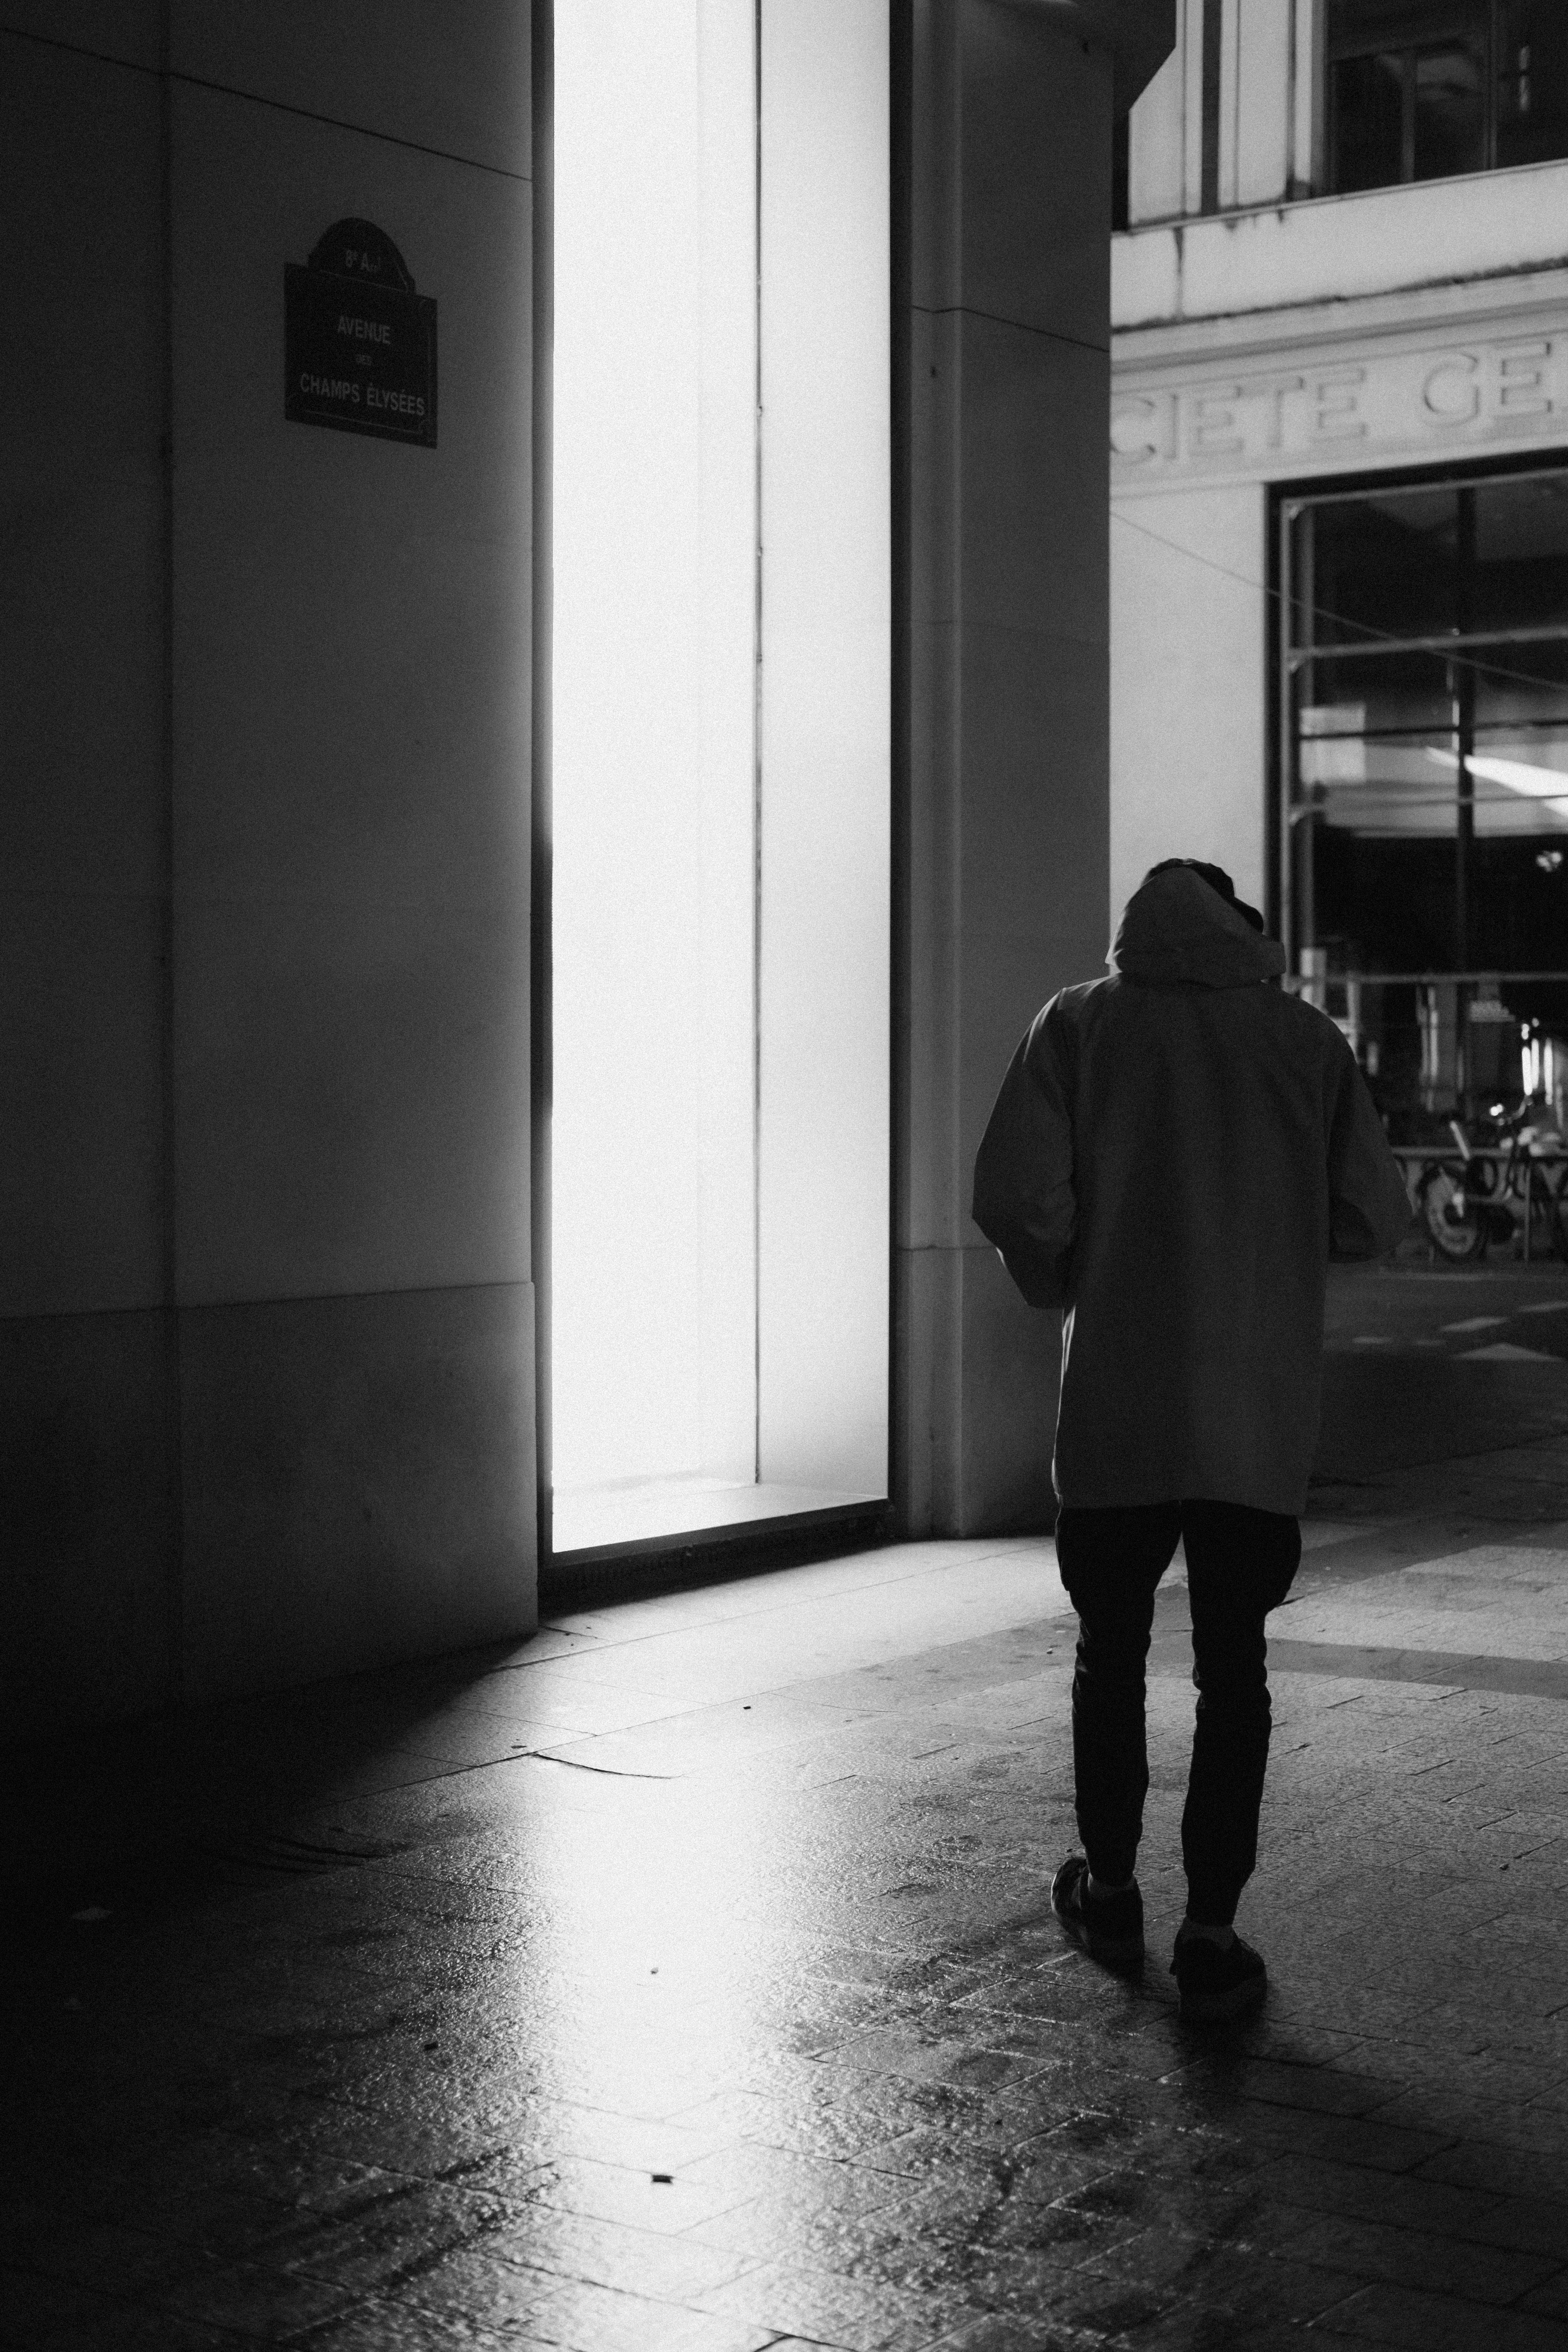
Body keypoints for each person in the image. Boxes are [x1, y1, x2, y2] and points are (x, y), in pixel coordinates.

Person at [971, 859, 1410, 2024]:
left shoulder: (1077, 1023)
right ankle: (1211, 1930)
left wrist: (1071, 1278)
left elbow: (1014, 1195)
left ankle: (1108, 1890)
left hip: (1116, 1407)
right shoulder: (1300, 1040)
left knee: (1107, 1658)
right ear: (1243, 931)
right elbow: (1373, 1216)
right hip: (1249, 1418)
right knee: (1235, 1677)